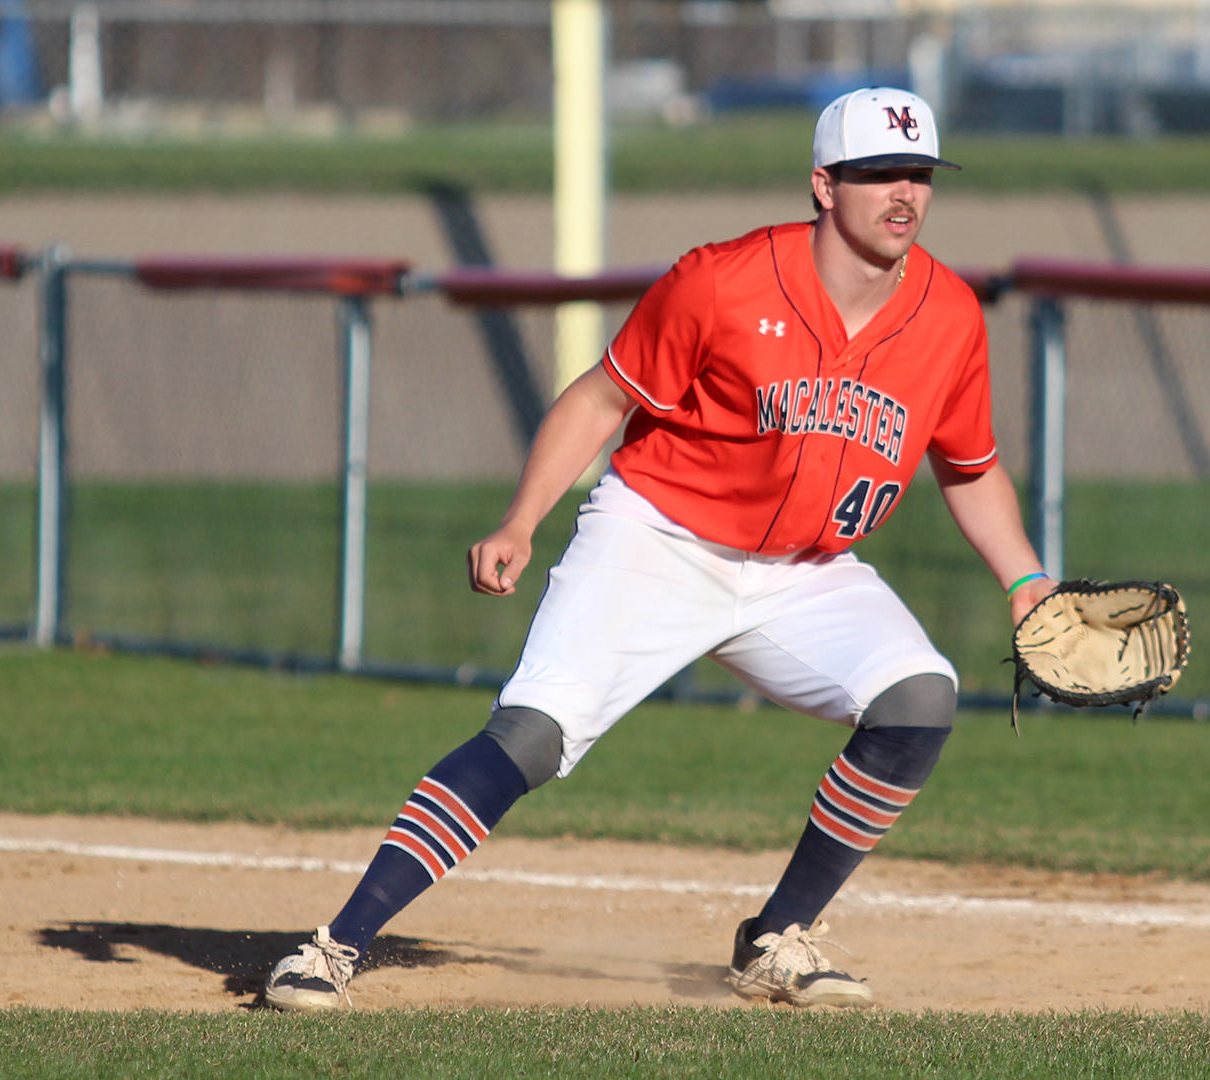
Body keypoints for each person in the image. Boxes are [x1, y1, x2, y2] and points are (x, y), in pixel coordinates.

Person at [263, 87, 1056, 1013]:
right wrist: (523, 519)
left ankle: (774, 939)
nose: (903, 194)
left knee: (919, 697)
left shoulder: (951, 315)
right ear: (822, 185)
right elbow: (602, 399)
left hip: (804, 571)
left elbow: (969, 465)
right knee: (530, 737)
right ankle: (332, 947)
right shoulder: (722, 282)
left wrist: (1026, 579)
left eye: (918, 174)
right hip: (657, 538)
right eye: (877, 173)